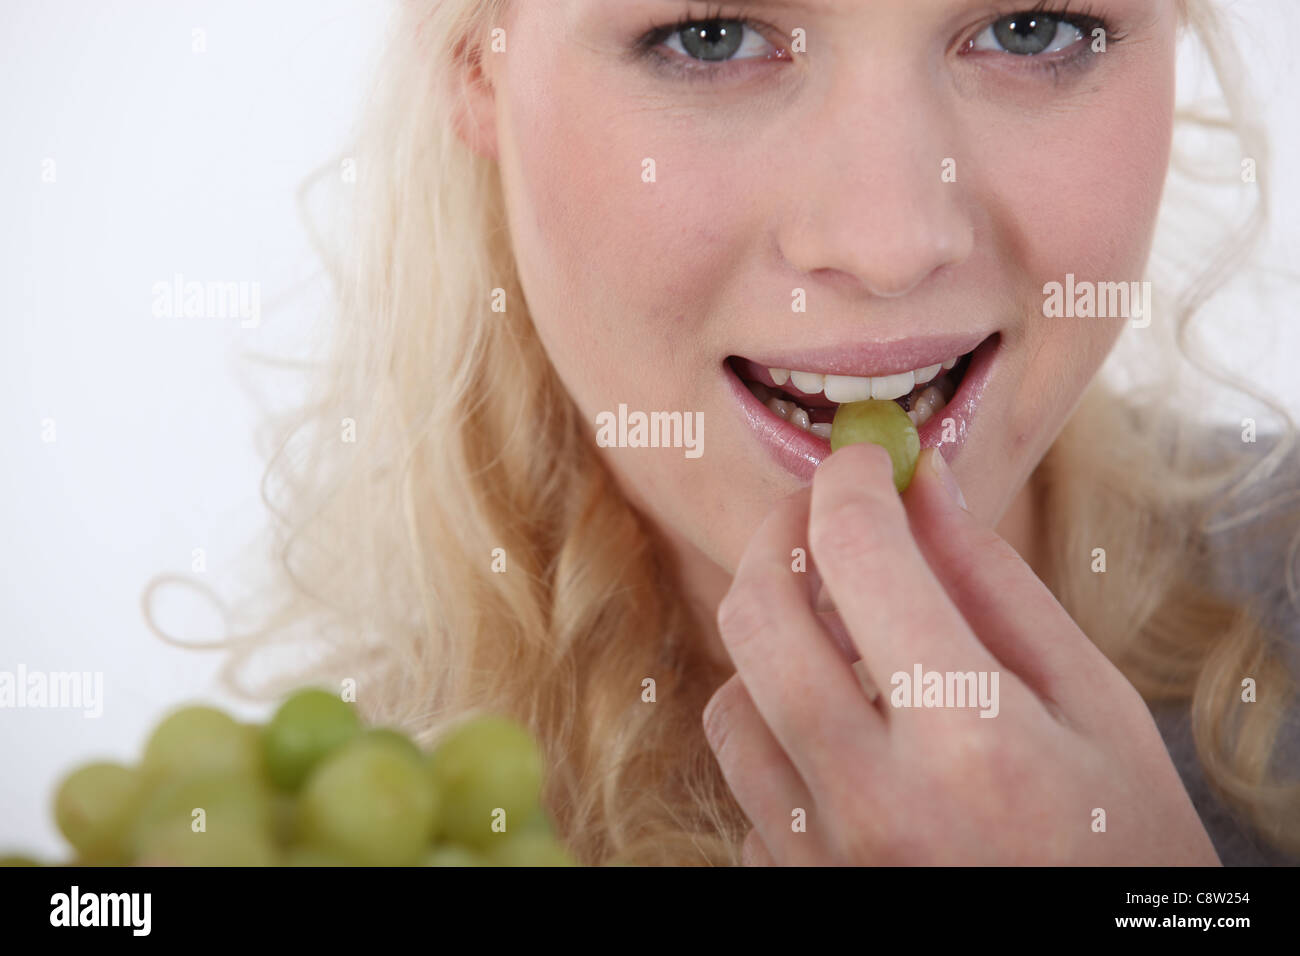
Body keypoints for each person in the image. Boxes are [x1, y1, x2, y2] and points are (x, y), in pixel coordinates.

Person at [206, 0, 1300, 865]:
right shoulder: (348, 812)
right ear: (476, 64)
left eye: (1033, 28)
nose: (888, 242)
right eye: (710, 37)